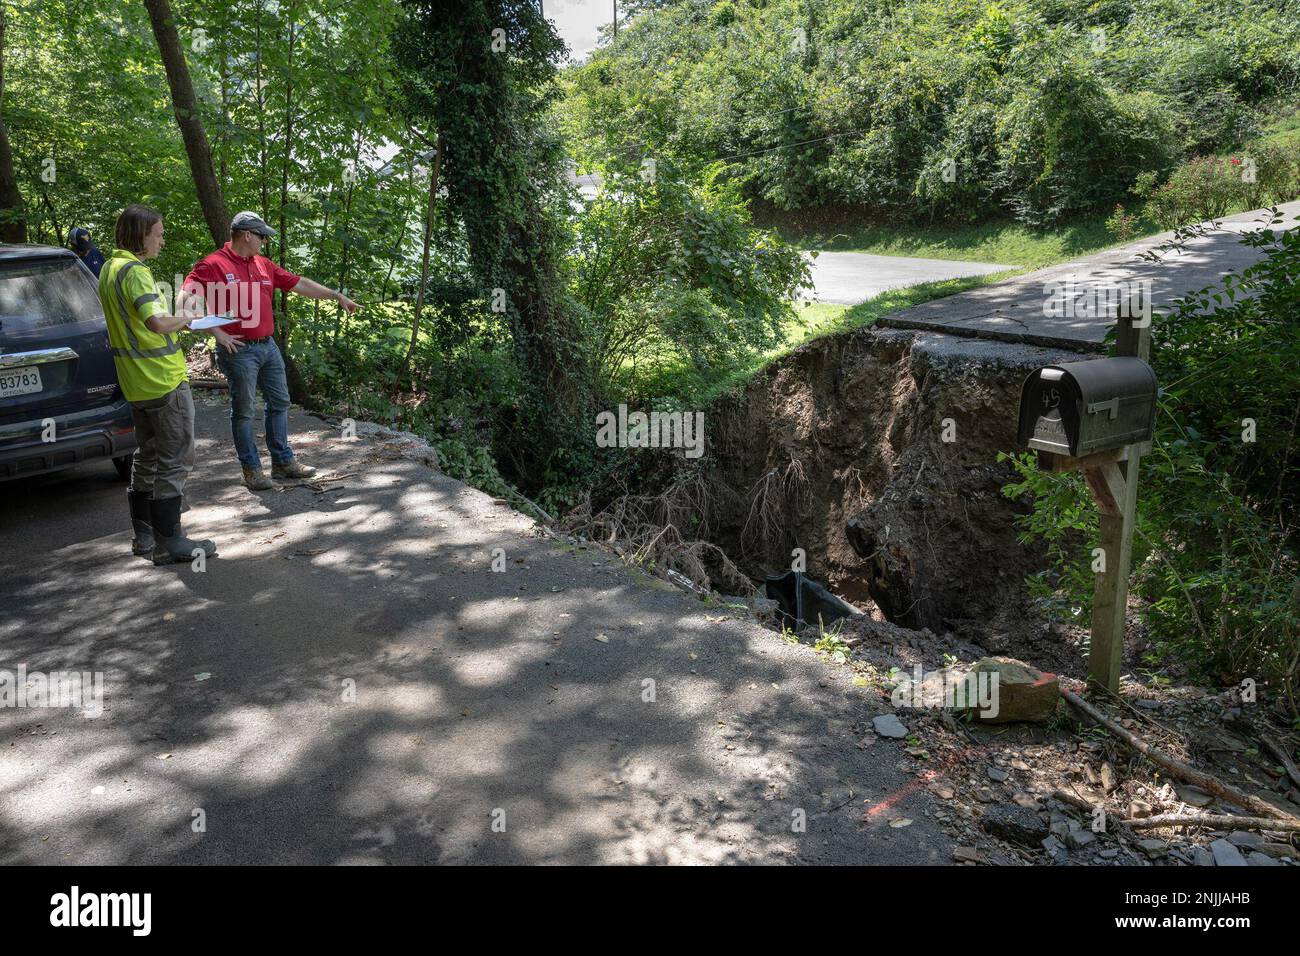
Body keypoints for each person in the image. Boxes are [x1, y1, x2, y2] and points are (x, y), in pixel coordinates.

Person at [183, 211, 359, 490]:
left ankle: (282, 462)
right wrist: (218, 334)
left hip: (267, 346)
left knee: (280, 402)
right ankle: (252, 469)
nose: (264, 242)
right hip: (239, 351)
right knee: (244, 411)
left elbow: (298, 283)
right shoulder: (212, 264)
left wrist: (336, 295)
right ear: (247, 235)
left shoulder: (262, 264)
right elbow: (186, 303)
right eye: (262, 236)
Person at [98, 204, 217, 564]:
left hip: (135, 383)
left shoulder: (108, 268)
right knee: (176, 457)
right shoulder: (135, 272)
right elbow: (155, 323)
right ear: (141, 235)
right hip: (162, 380)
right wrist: (189, 318)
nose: (162, 240)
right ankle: (171, 541)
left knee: (147, 455)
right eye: (159, 233)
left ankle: (144, 536)